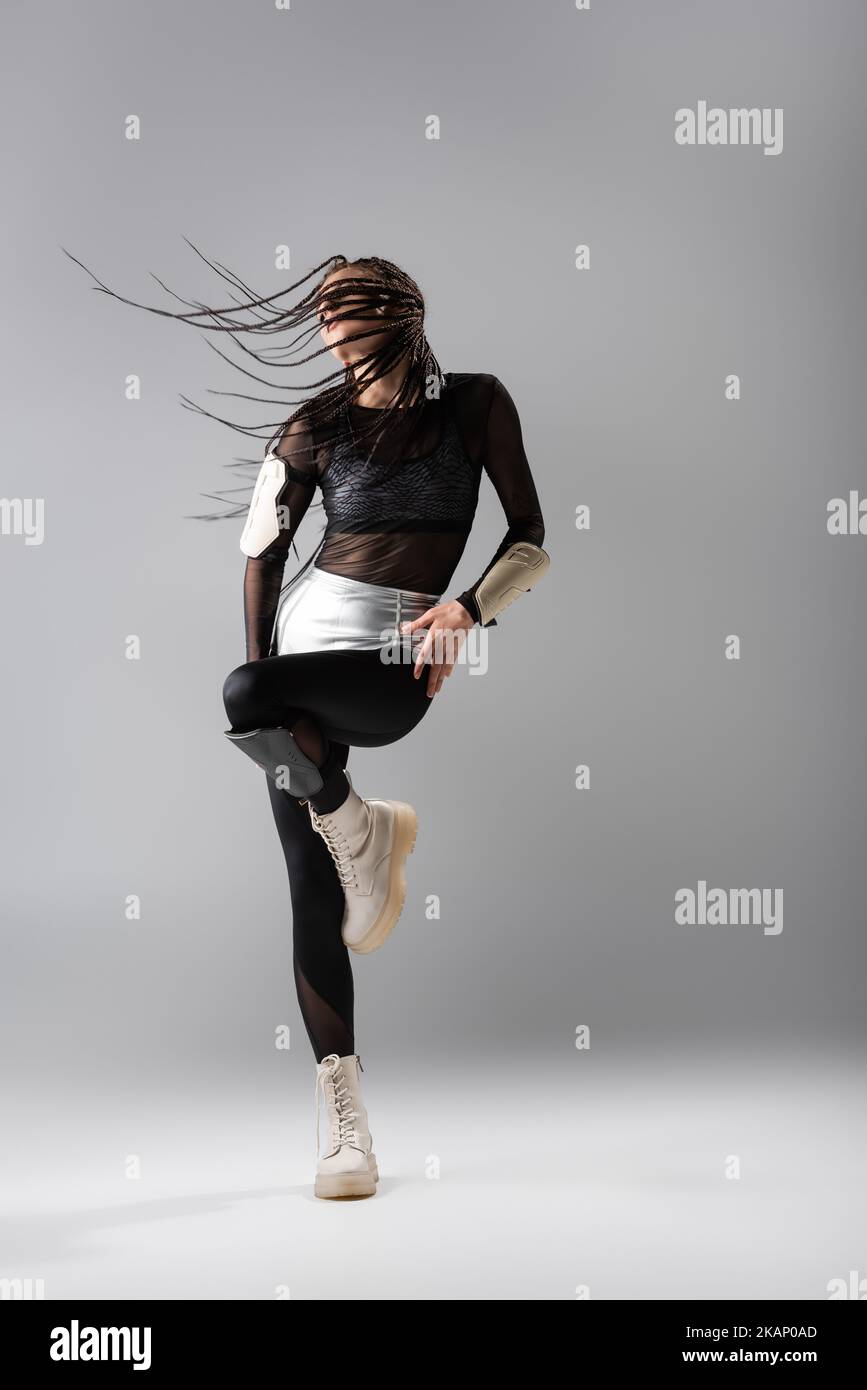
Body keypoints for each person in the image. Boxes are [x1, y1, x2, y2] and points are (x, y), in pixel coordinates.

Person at [65, 246, 549, 1199]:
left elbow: (530, 535)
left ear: (401, 311)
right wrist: (268, 674)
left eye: (347, 310)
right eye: (322, 315)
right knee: (307, 886)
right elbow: (261, 553)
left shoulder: (476, 404)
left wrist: (466, 611)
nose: (329, 327)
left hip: (395, 660)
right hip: (299, 657)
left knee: (248, 699)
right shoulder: (314, 425)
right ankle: (345, 1122)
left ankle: (361, 825)